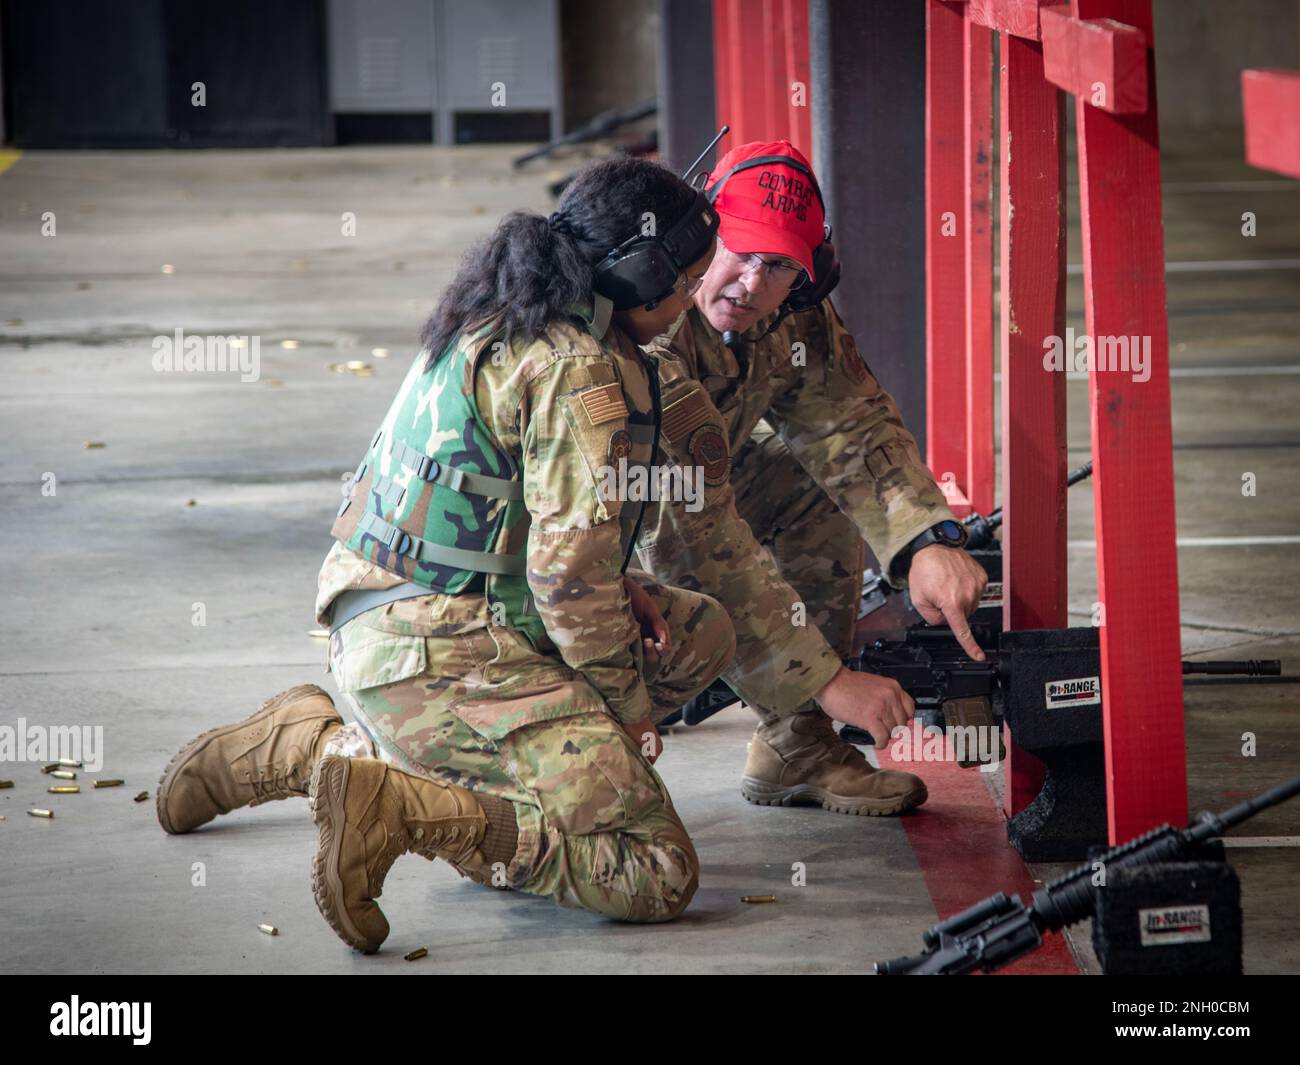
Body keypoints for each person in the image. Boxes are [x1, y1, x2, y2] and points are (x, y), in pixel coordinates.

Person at [156, 156, 735, 953]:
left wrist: (617, 583)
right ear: (638, 275)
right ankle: (396, 801)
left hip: (390, 614)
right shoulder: (580, 370)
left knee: (697, 630)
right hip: (438, 648)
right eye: (686, 283)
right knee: (655, 867)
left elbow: (518, 526)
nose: (692, 301)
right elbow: (568, 584)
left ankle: (319, 746)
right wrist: (627, 714)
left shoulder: (503, 311)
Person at [637, 139, 989, 816]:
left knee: (811, 483)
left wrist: (924, 541)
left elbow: (851, 425)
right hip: (580, 561)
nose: (750, 284)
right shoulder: (650, 323)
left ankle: (795, 747)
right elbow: (687, 541)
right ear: (699, 237)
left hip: (688, 508)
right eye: (739, 254)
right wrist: (829, 681)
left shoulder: (792, 310)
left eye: (777, 267)